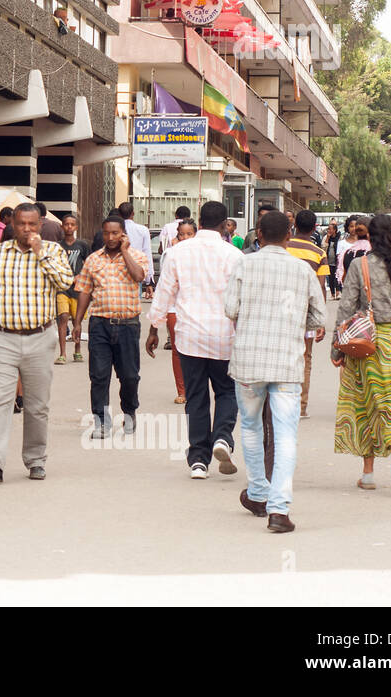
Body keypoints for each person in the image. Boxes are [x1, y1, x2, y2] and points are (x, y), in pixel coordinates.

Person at [222, 209, 327, 533]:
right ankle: (278, 510)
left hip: (249, 363)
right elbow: (318, 317)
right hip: (287, 364)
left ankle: (258, 493)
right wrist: (296, 324)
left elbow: (230, 308)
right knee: (285, 436)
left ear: (259, 234)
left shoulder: (244, 263)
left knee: (252, 428)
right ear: (288, 236)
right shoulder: (302, 270)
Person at [0, 203, 72, 483]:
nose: (27, 229)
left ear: (40, 225)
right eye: (22, 224)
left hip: (40, 338)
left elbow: (65, 282)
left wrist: (40, 253)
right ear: (13, 225)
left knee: (37, 405)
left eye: (32, 225)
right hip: (3, 339)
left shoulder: (53, 251)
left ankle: (35, 460)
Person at [331, 214, 391, 496]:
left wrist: (337, 346)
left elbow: (346, 308)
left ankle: (369, 473)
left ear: (369, 237)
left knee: (366, 401)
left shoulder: (360, 265)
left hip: (367, 340)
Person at [146, 202, 242, 479]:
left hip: (189, 337)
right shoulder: (235, 256)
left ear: (199, 222)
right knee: (226, 391)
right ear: (225, 225)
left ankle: (199, 460)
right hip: (224, 336)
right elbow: (241, 299)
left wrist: (155, 328)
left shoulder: (177, 252)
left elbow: (164, 292)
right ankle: (222, 437)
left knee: (196, 397)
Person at [74, 215, 149, 438]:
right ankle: (101, 422)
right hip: (100, 325)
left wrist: (125, 251)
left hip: (127, 326)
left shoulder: (137, 256)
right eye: (106, 233)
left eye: (115, 233)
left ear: (123, 233)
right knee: (98, 375)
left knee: (129, 376)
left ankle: (129, 412)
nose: (110, 237)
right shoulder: (93, 259)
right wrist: (78, 321)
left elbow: (138, 276)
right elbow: (85, 291)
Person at [286, 210, 329, 420]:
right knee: (305, 358)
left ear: (294, 225)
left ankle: (280, 402)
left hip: (282, 312)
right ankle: (301, 406)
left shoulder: (284, 248)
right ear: (314, 228)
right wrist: (320, 320)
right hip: (306, 314)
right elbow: (321, 288)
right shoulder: (319, 253)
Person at [155, 218, 196, 404]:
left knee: (196, 350)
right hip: (174, 307)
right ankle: (182, 390)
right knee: (178, 350)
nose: (185, 237)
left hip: (196, 308)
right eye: (182, 234)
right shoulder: (170, 254)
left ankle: (195, 387)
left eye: (189, 234)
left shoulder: (201, 254)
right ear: (176, 236)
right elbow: (165, 284)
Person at [56, 212, 91, 366]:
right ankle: (62, 353)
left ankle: (77, 349)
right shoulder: (57, 246)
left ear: (76, 227)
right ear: (62, 226)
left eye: (72, 224)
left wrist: (81, 276)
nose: (69, 227)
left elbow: (90, 264)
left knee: (77, 320)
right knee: (62, 318)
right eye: (66, 224)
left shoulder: (82, 245)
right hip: (62, 288)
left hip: (77, 289)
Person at [117, 201, 154, 295]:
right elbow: (147, 253)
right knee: (134, 303)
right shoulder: (143, 230)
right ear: (133, 213)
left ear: (119, 214)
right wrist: (149, 280)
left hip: (118, 271)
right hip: (137, 270)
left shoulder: (115, 230)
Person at [324, 221, 341, 299]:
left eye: (330, 229)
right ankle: (332, 294)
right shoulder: (326, 237)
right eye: (328, 229)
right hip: (329, 261)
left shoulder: (339, 238)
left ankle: (338, 292)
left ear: (334, 230)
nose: (329, 231)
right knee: (330, 278)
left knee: (336, 277)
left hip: (337, 261)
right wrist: (327, 237)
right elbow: (324, 247)